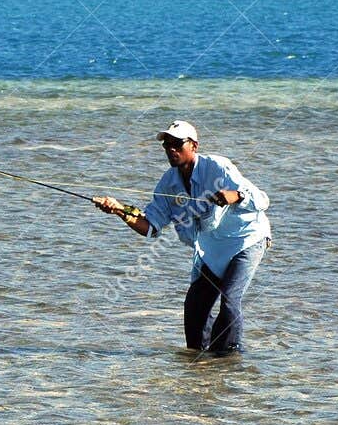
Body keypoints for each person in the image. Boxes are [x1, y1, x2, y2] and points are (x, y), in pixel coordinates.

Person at [94, 121, 272, 356]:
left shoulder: (218, 167)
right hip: (212, 250)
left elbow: (262, 200)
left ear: (194, 146)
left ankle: (229, 360)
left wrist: (235, 196)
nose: (171, 149)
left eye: (177, 144)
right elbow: (150, 227)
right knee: (195, 306)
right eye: (167, 145)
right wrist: (118, 210)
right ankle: (199, 363)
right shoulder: (168, 183)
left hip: (246, 240)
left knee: (229, 299)